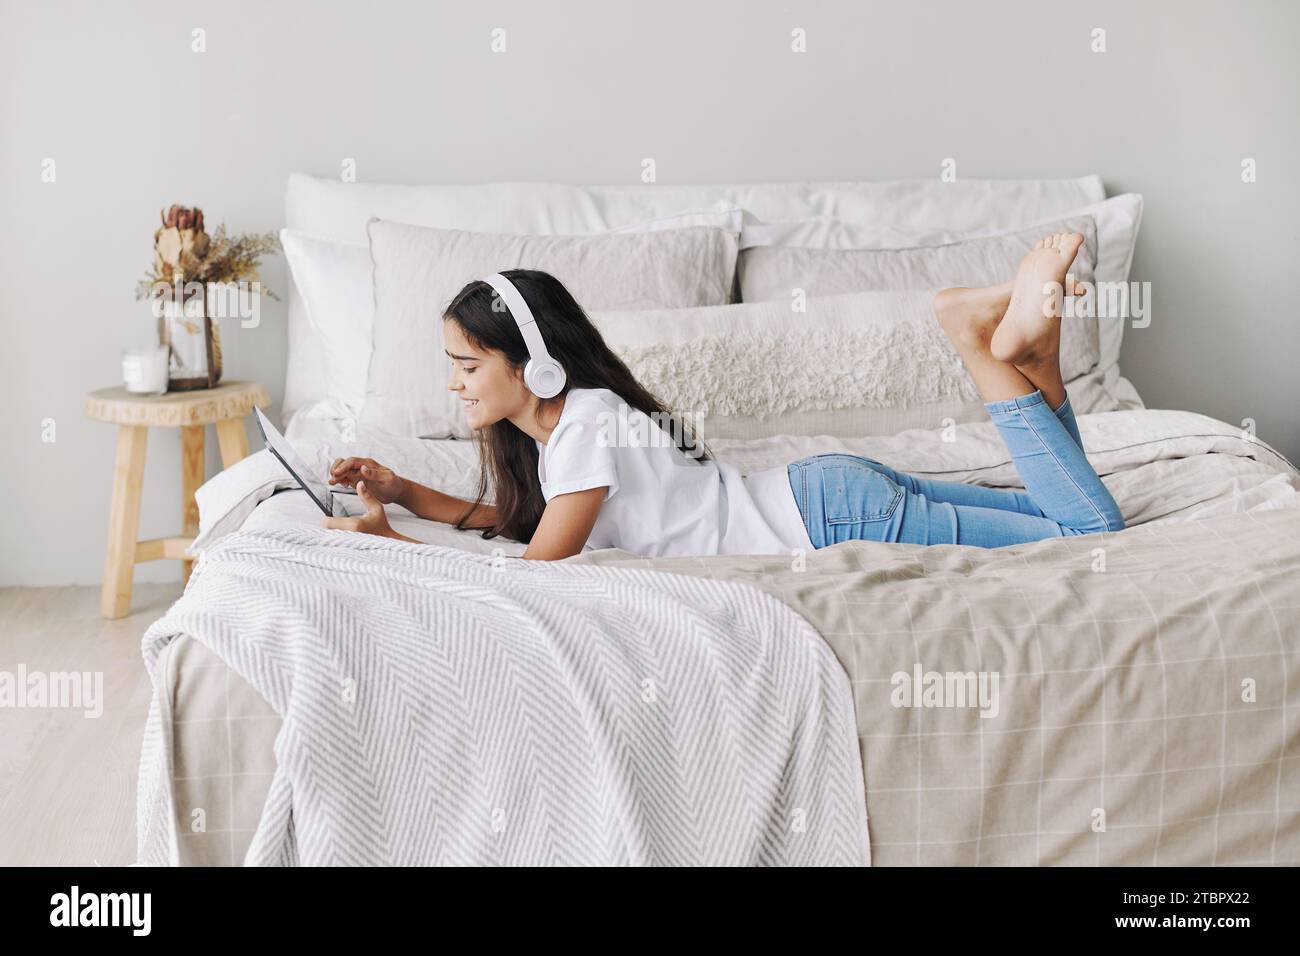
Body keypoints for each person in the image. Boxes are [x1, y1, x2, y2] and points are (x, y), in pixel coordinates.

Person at [324, 232, 1124, 559]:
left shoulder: (587, 430)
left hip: (829, 512)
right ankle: (1033, 355)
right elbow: (522, 522)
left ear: (531, 366)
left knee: (1088, 531)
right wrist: (402, 495)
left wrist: (386, 544)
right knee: (1069, 520)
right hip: (826, 495)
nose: (454, 383)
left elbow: (532, 569)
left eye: (466, 366)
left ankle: (975, 341)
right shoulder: (567, 432)